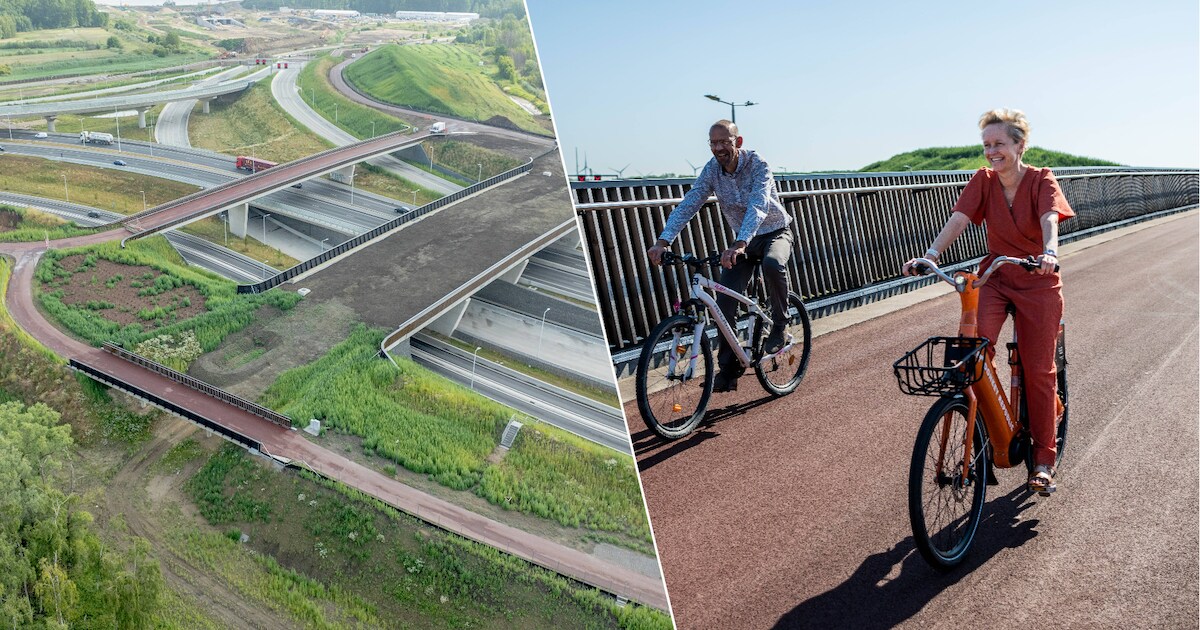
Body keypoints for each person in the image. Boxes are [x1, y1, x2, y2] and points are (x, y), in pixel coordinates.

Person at [902, 108, 1073, 495]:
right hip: (995, 276)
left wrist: (1049, 252)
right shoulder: (983, 180)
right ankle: (985, 438)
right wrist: (931, 255)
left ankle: (1044, 459)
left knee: (1038, 370)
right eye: (986, 145)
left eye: (999, 144)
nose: (991, 151)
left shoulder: (1042, 179)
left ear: (1019, 145)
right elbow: (959, 219)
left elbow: (1049, 218)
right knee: (970, 353)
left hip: (1038, 279)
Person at [648, 119, 794, 392]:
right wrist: (663, 241)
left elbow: (759, 205)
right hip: (743, 242)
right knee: (724, 300)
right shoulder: (712, 171)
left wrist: (740, 243)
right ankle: (728, 370)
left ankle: (780, 326)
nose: (718, 148)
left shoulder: (757, 164)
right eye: (713, 143)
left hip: (774, 232)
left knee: (773, 263)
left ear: (737, 142)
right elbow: (691, 203)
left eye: (724, 142)